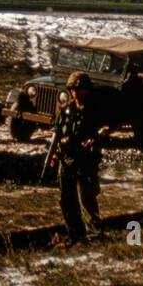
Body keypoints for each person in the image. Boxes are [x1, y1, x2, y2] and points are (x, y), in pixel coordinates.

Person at [46, 71, 106, 245]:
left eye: (79, 89)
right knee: (67, 199)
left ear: (87, 90)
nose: (76, 93)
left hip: (85, 161)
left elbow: (100, 133)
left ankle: (95, 235)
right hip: (67, 160)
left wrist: (92, 142)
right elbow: (57, 134)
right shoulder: (66, 110)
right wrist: (54, 155)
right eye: (73, 89)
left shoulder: (94, 110)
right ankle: (74, 234)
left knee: (86, 198)